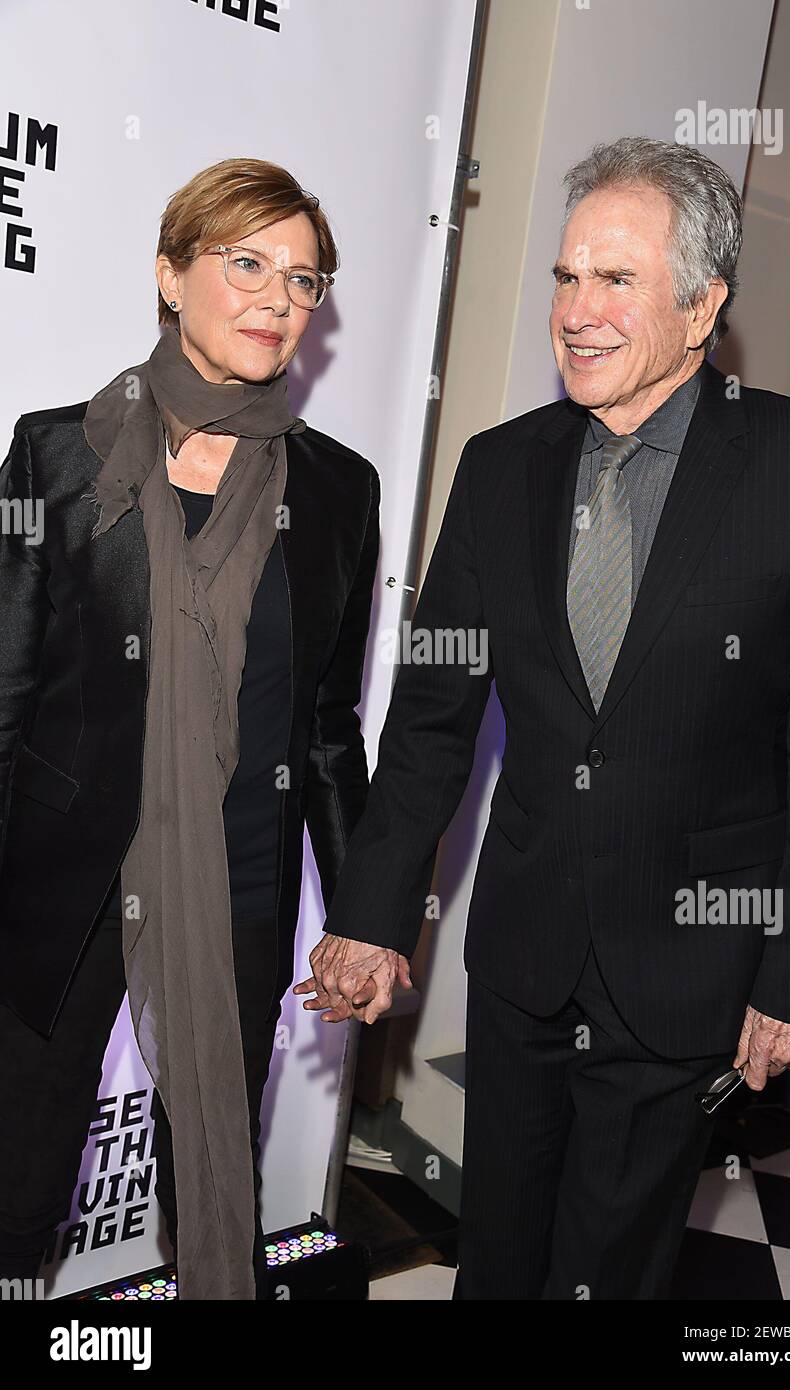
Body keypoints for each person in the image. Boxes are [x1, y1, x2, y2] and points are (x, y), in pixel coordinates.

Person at [295, 135, 790, 1299]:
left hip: (693, 959)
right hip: (527, 950)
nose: (576, 310)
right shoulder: (501, 468)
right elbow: (432, 718)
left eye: (617, 280)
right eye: (566, 277)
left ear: (703, 308)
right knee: (497, 1248)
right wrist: (370, 911)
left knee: (612, 1260)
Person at [0, 156, 380, 1299]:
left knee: (205, 1182)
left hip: (238, 889)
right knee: (15, 1195)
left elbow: (326, 721)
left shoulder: (338, 488)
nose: (277, 297)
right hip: (65, 884)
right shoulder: (58, 453)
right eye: (247, 262)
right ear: (171, 277)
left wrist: (364, 911)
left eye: (304, 279)